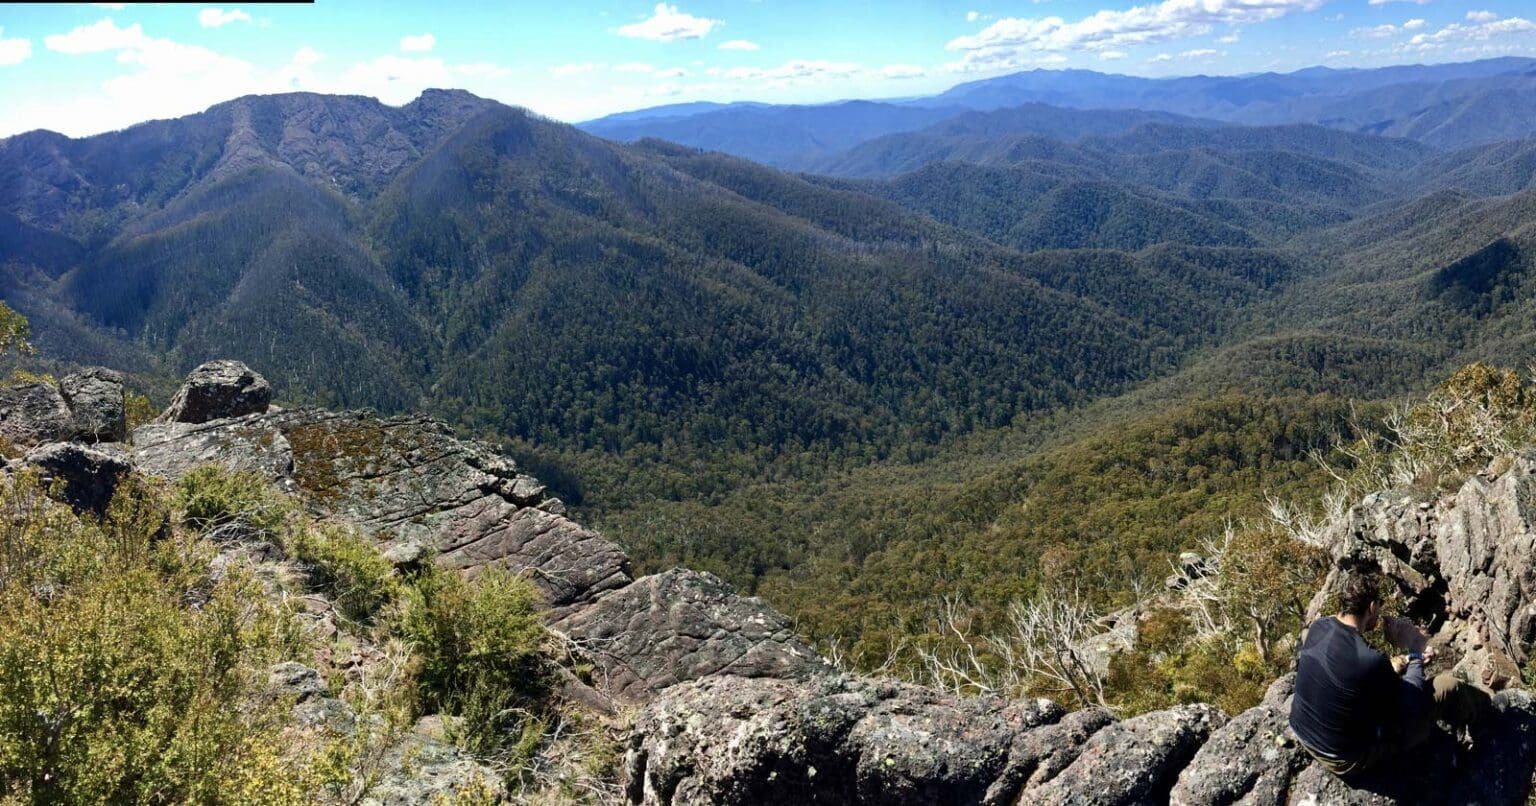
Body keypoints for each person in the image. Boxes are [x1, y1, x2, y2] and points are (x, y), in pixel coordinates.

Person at [1288, 566, 1481, 779]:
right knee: (1447, 684)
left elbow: (1353, 672)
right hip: (1344, 758)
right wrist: (1415, 648)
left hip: (1303, 731)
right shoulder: (1369, 660)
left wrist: (1407, 663)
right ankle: (1488, 723)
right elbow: (1412, 702)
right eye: (1380, 606)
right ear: (1372, 607)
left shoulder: (1318, 626)